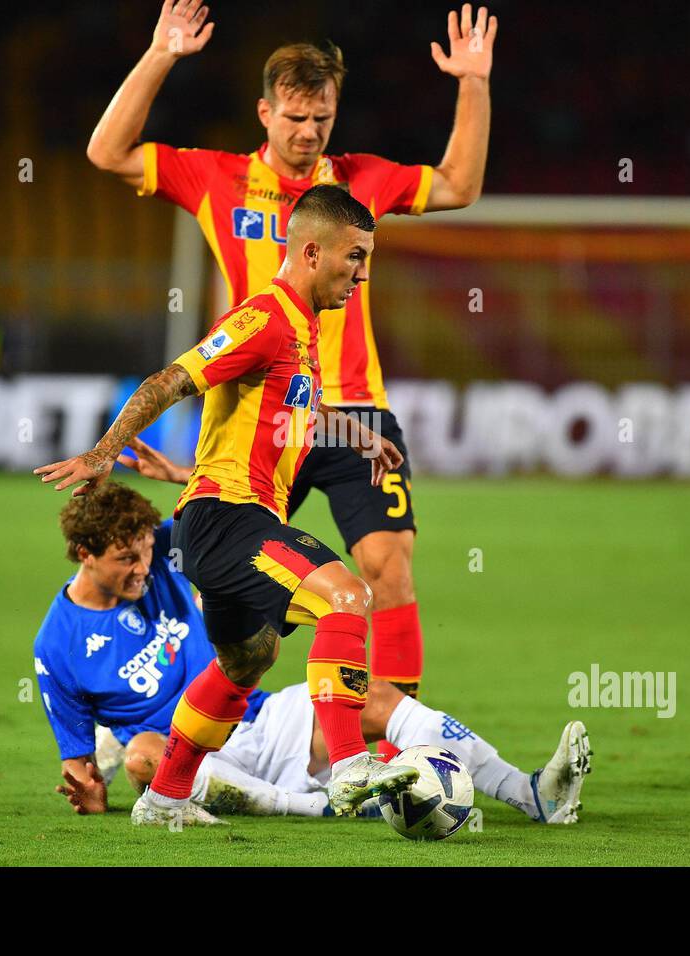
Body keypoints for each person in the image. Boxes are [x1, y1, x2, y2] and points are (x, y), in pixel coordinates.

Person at [86, 1, 496, 761]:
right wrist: (160, 54)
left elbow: (461, 185)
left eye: (323, 119)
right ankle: (161, 740)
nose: (309, 134)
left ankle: (393, 748)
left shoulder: (358, 183)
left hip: (351, 411)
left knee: (386, 565)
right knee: (245, 629)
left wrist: (473, 83)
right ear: (265, 113)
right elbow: (107, 152)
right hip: (260, 414)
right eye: (296, 118)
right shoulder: (218, 178)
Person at [38, 186, 418, 826]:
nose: (363, 273)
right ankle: (353, 767)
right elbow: (171, 379)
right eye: (355, 256)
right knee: (347, 598)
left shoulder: (304, 326)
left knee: (247, 660)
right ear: (310, 251)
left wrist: (360, 436)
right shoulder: (262, 317)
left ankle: (165, 795)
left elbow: (300, 405)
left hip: (228, 524)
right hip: (224, 515)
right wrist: (106, 450)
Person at [35, 477, 592, 825]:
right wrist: (89, 792)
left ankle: (533, 794)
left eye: (146, 552)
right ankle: (317, 806)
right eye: (124, 560)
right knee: (140, 758)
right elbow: (80, 765)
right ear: (83, 554)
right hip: (192, 756)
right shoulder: (57, 646)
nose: (142, 568)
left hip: (261, 717)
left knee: (375, 696)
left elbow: (228, 513)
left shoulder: (169, 550)